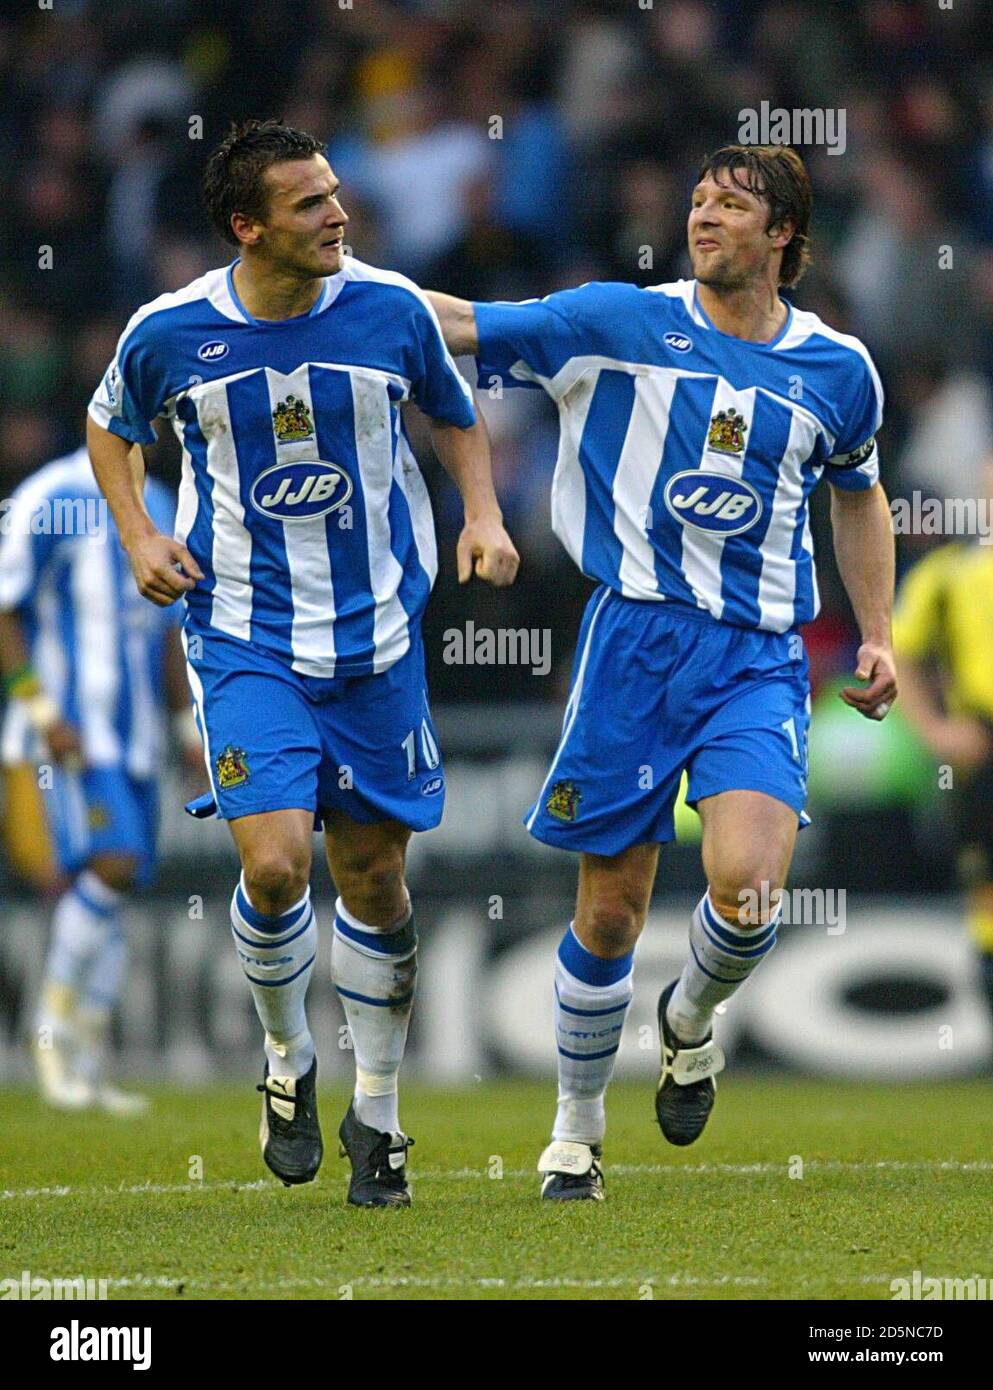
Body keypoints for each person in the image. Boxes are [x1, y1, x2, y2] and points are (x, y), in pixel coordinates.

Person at [428, 144, 897, 1200]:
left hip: (758, 657)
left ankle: (687, 1018)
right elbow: (466, 323)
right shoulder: (618, 320)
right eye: (696, 200)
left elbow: (858, 494)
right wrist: (336, 293)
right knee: (608, 913)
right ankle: (577, 1130)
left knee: (747, 885)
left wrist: (878, 631)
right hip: (632, 644)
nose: (703, 217)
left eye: (731, 206)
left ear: (782, 236)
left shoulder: (837, 370)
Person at [86, 119, 518, 1206]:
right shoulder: (170, 330)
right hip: (242, 638)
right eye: (312, 203)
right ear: (249, 227)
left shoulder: (390, 308)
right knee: (276, 866)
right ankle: (286, 1061)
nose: (339, 215)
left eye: (336, 193)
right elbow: (110, 425)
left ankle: (378, 1113)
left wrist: (481, 513)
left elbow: (455, 414)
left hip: (376, 641)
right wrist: (141, 533)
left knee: (374, 879)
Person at [0, 444, 197, 1112]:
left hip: (137, 736)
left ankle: (85, 1054)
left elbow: (169, 629)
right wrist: (40, 709)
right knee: (109, 866)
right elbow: (5, 608)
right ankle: (49, 1037)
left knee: (123, 883)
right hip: (72, 735)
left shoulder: (163, 502)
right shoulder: (47, 496)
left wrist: (183, 729)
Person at [892, 462, 993, 1034]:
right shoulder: (948, 576)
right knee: (986, 888)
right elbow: (903, 652)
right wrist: (935, 729)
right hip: (983, 746)